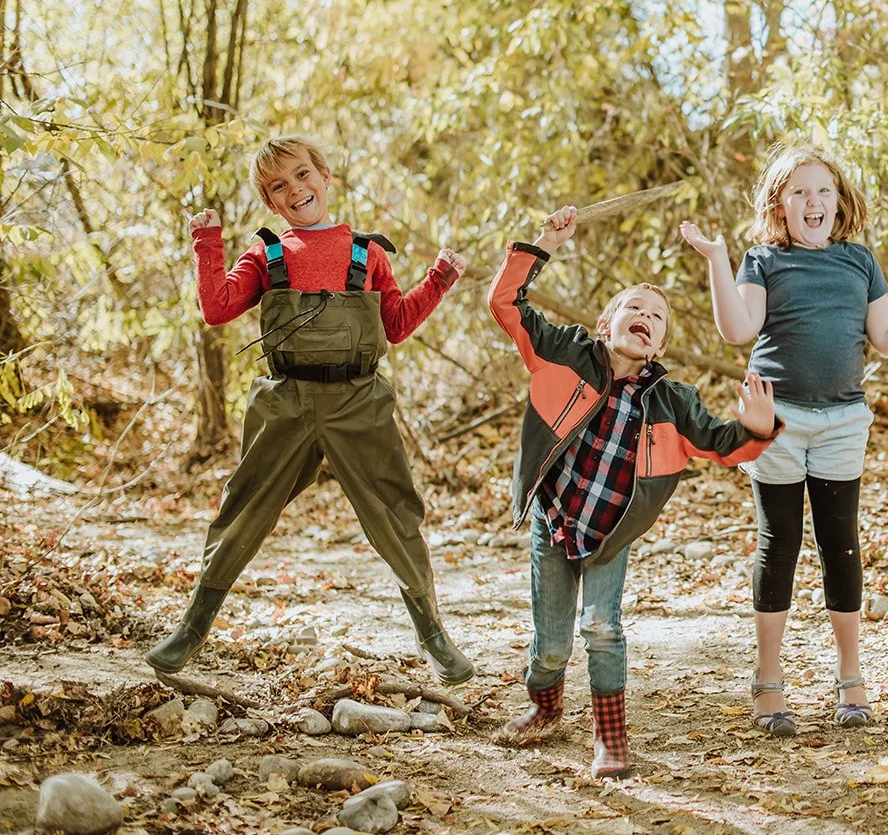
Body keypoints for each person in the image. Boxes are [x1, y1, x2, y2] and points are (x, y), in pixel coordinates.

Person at [147, 136, 474, 684]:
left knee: (395, 512)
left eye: (302, 175)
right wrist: (207, 243)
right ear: (270, 202)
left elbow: (396, 325)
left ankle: (434, 638)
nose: (295, 190)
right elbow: (216, 309)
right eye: (279, 186)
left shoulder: (367, 253)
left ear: (325, 177)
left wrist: (438, 279)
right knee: (243, 507)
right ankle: (191, 629)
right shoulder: (266, 254)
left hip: (359, 401)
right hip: (287, 401)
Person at [488, 205, 779, 777]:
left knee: (602, 627)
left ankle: (610, 735)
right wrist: (544, 244)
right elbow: (505, 305)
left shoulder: (673, 401)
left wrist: (758, 428)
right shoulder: (564, 353)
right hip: (555, 519)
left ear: (660, 345)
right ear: (607, 324)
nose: (645, 316)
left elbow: (724, 446)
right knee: (552, 645)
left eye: (657, 316)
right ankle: (544, 706)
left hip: (610, 533)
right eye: (634, 308)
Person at [680, 146, 888, 735]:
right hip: (780, 421)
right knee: (781, 543)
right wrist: (717, 259)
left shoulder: (858, 261)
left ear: (838, 201)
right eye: (799, 192)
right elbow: (738, 329)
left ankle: (850, 677)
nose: (812, 202)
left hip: (843, 421)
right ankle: (769, 680)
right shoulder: (763, 260)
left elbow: (886, 336)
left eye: (822, 191)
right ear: (780, 206)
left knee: (840, 543)